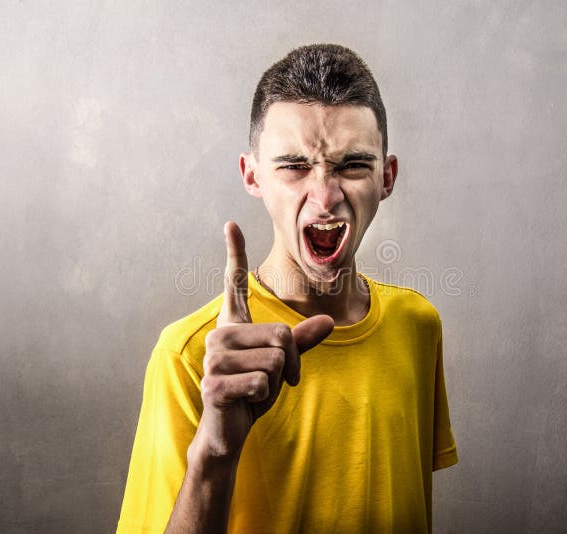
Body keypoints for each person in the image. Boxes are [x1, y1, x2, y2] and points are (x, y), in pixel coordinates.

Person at [117, 43, 457, 534]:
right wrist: (214, 454)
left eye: (352, 165)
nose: (324, 196)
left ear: (387, 178)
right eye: (294, 166)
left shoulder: (418, 326)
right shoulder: (192, 356)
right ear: (252, 175)